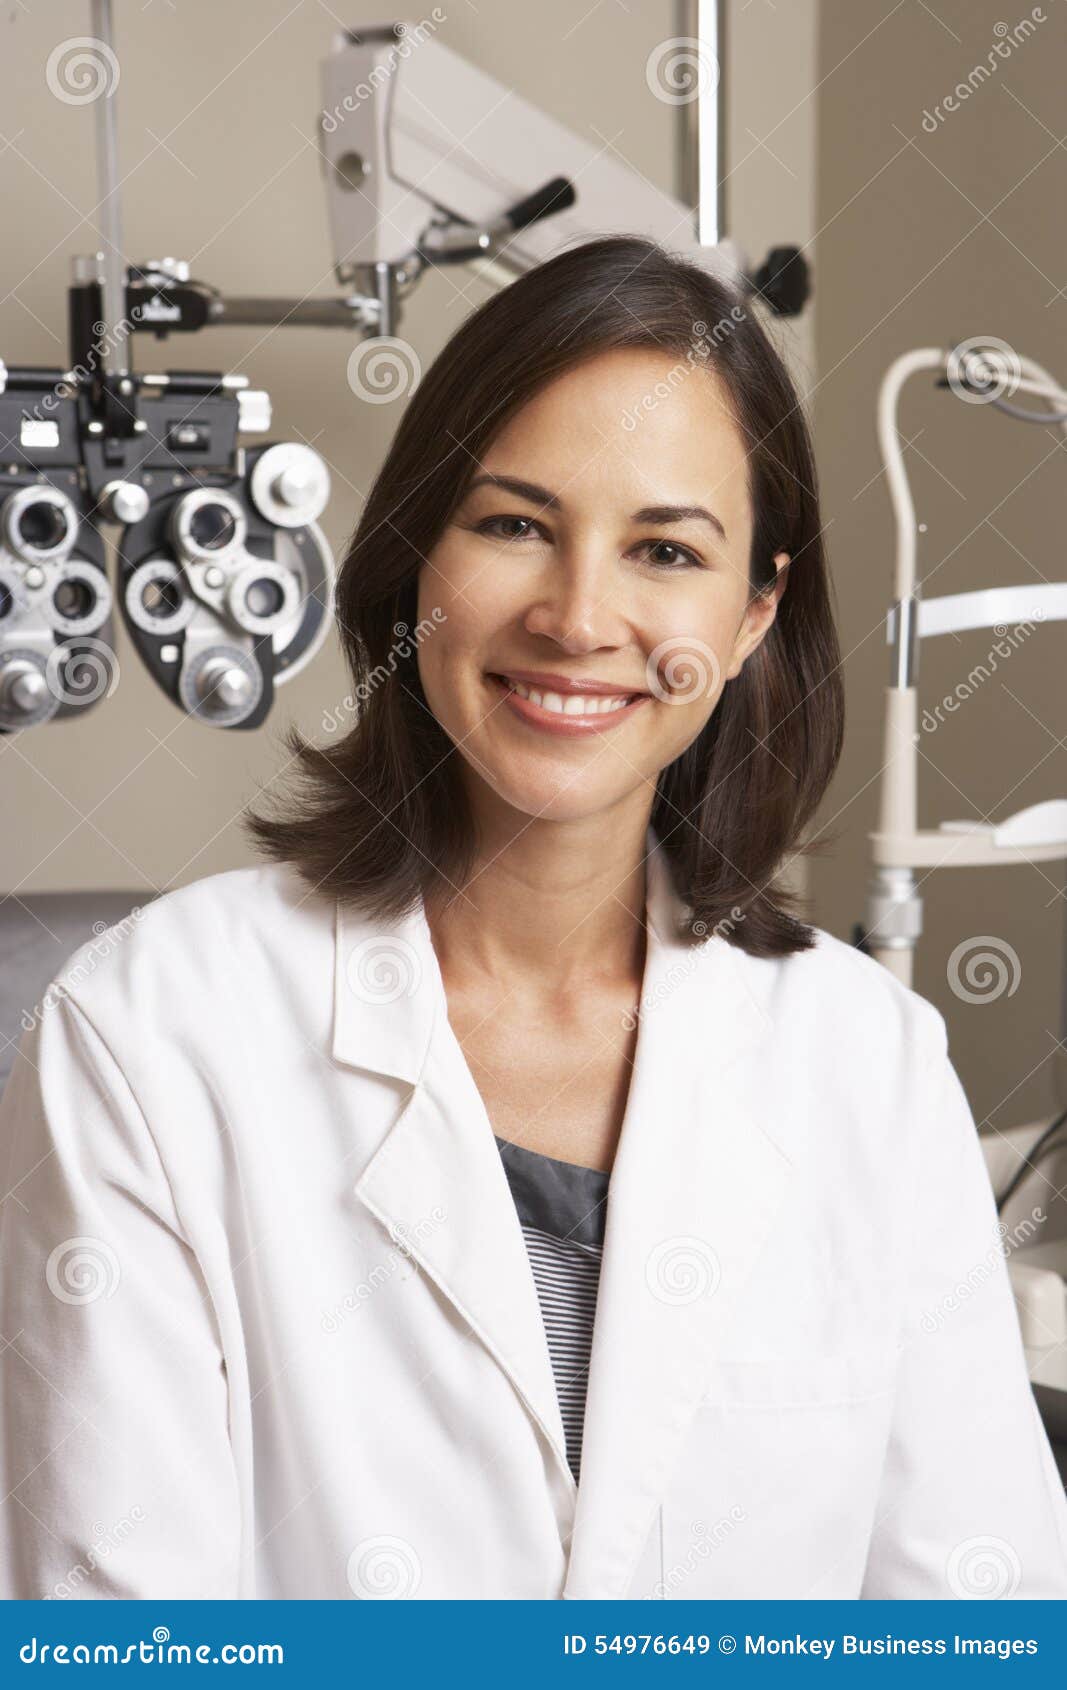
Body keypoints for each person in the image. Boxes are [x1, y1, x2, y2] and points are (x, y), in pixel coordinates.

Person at [2, 236, 1065, 1600]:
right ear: (414, 562)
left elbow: (974, 1621)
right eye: (512, 524)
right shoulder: (151, 1032)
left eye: (665, 548)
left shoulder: (871, 1064)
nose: (578, 616)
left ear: (752, 614)